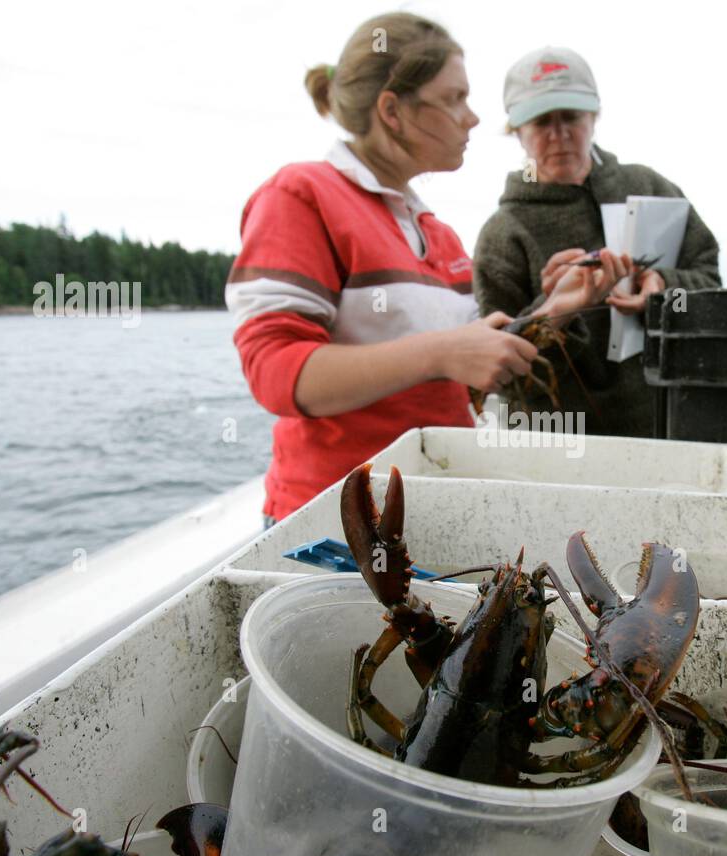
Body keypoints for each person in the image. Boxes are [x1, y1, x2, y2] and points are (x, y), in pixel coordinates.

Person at [227, 15, 626, 524]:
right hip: (332, 526)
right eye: (455, 98)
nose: (474, 118)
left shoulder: (434, 230)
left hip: (426, 513)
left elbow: (462, 369)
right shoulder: (302, 195)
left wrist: (556, 308)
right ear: (393, 110)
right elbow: (276, 373)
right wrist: (442, 352)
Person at [474, 47, 721, 438]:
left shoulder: (651, 187)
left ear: (594, 115)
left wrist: (661, 287)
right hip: (559, 446)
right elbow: (501, 372)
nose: (559, 134)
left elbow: (710, 281)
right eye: (541, 121)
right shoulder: (502, 234)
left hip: (668, 431)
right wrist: (556, 309)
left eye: (571, 116)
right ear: (517, 131)